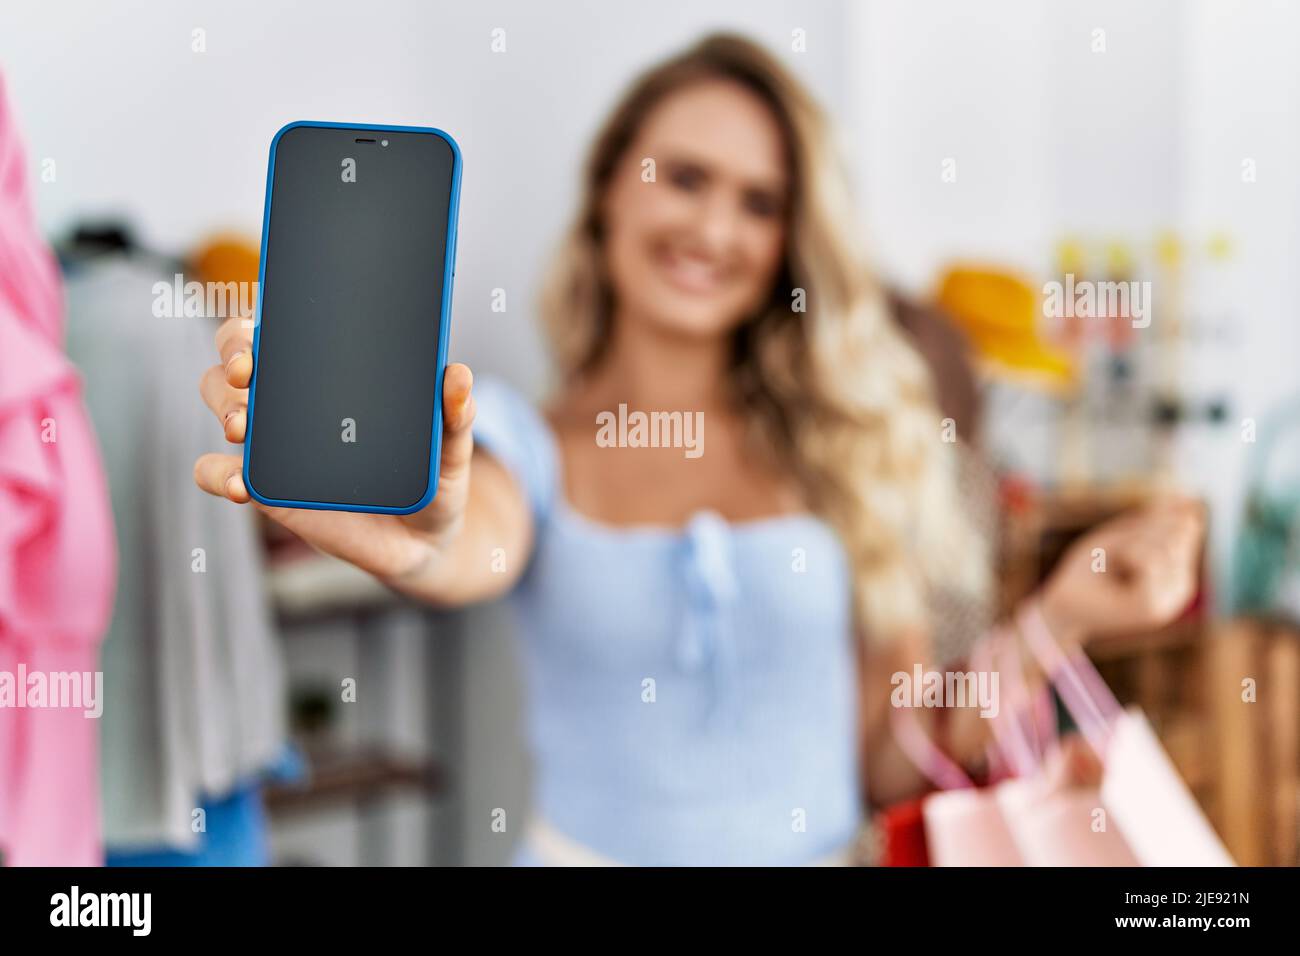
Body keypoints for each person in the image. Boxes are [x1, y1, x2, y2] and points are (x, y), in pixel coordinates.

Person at [194, 34, 1202, 865]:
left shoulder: (845, 448)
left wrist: (1059, 616)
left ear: (789, 238)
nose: (715, 226)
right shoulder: (527, 440)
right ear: (608, 194)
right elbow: (466, 536)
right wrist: (421, 529)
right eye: (683, 177)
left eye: (759, 201)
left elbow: (893, 761)